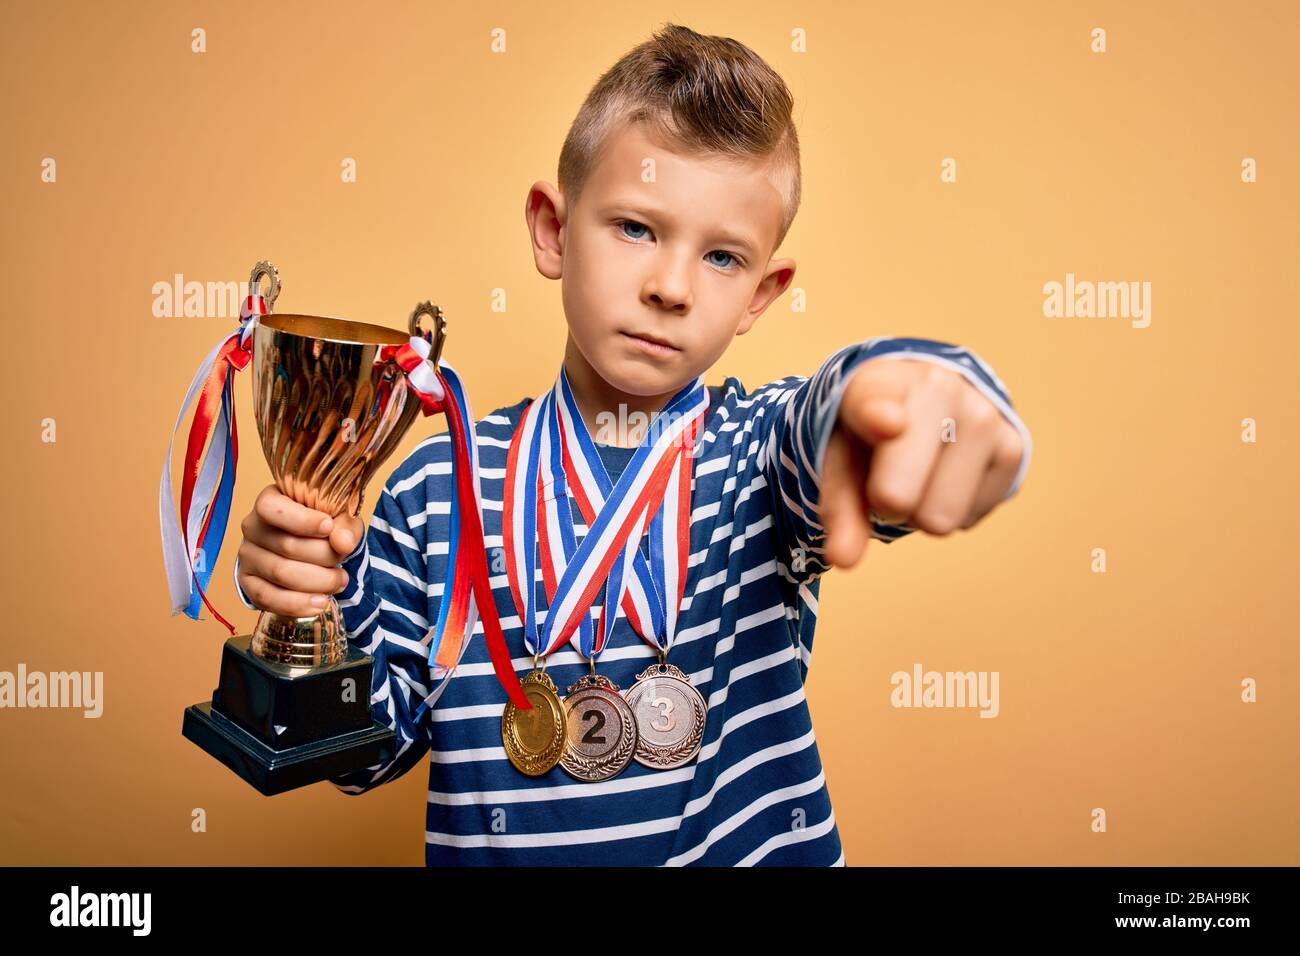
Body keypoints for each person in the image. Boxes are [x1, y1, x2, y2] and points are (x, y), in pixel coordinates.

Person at [232, 23, 1031, 865]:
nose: (671, 287)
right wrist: (306, 603)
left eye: (723, 257)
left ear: (762, 295)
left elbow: (830, 422)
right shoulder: (436, 488)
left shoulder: (757, 458)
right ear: (553, 228)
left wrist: (910, 393)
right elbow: (371, 750)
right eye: (637, 229)